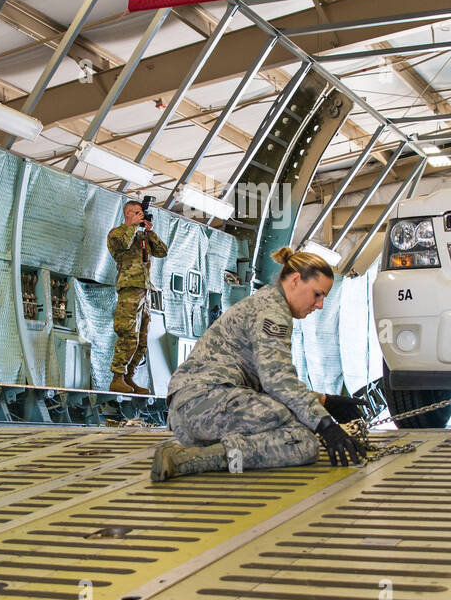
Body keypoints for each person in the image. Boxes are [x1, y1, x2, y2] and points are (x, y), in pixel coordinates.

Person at [152, 247, 368, 482]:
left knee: (296, 429)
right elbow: (277, 380)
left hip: (196, 408)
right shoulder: (272, 311)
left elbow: (267, 382)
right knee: (301, 441)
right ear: (296, 280)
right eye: (317, 294)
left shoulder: (267, 302)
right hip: (204, 404)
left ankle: (199, 454)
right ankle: (187, 461)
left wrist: (325, 402)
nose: (320, 305)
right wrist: (325, 425)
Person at [106, 199, 167, 395]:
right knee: (128, 334)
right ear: (128, 214)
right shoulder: (117, 233)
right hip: (129, 288)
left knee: (142, 339)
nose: (141, 216)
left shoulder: (142, 236)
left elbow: (162, 251)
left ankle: (129, 377)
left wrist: (150, 232)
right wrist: (132, 227)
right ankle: (117, 377)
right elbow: (122, 244)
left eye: (142, 213)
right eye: (138, 213)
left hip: (145, 290)